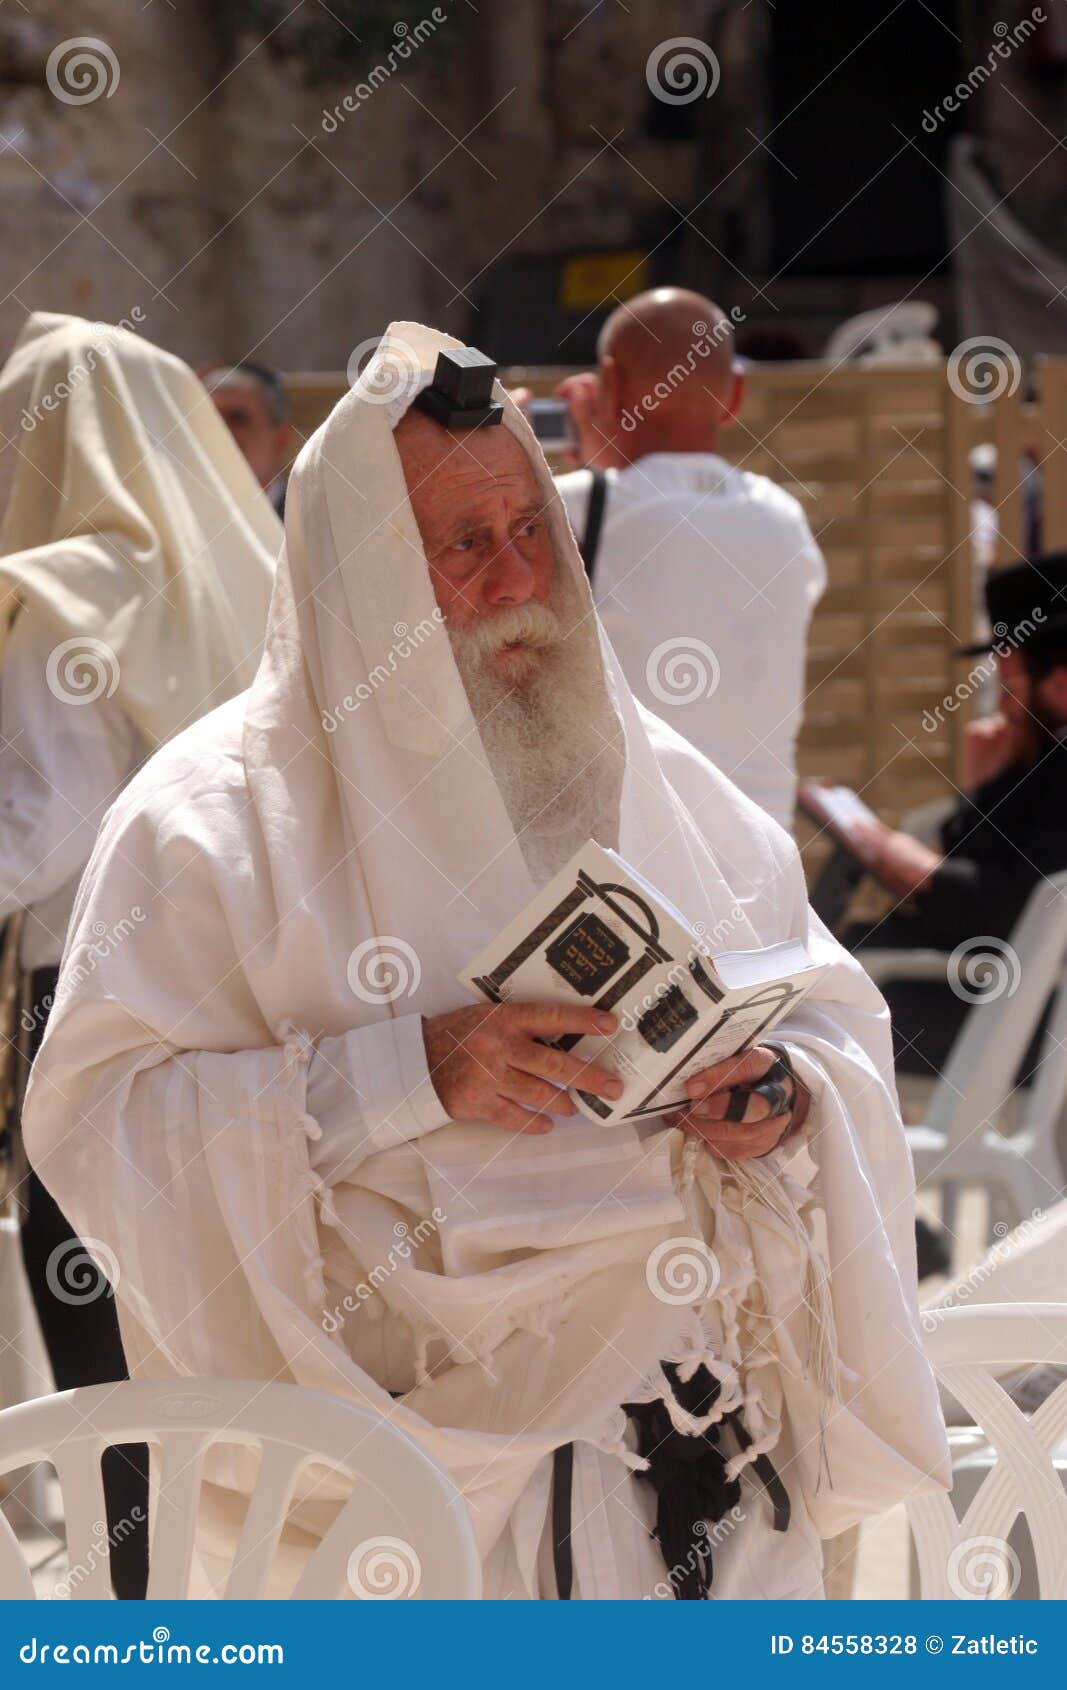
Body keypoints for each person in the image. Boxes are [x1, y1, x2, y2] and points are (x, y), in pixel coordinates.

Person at [24, 322, 947, 1601]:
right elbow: (99, 1123)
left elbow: (829, 1027)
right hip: (391, 1524)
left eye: (529, 529)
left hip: (708, 1480)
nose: (516, 578)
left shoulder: (659, 777)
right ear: (360, 574)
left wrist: (780, 1094)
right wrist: (403, 1075)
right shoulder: (212, 822)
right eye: (461, 545)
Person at [0, 311, 280, 1597]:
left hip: (94, 1034)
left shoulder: (58, 599)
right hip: (263, 1024)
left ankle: (139, 1629)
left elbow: (31, 833)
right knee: (241, 1357)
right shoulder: (254, 576)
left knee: (111, 1376)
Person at [552, 288, 826, 832]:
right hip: (763, 855)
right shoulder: (784, 517)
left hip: (636, 863)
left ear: (611, 383)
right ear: (737, 394)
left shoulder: (570, 510)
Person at [846, 554, 1067, 1079]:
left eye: (1013, 677)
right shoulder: (1038, 761)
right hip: (990, 1000)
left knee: (817, 1021)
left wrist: (906, 863)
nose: (1004, 697)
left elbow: (1006, 908)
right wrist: (987, 785)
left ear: (1058, 680)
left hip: (1013, 1020)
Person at [203, 360, 294, 517]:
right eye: (211, 419)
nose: (221, 431)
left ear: (281, 439)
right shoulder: (175, 521)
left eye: (237, 418)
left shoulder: (312, 520)